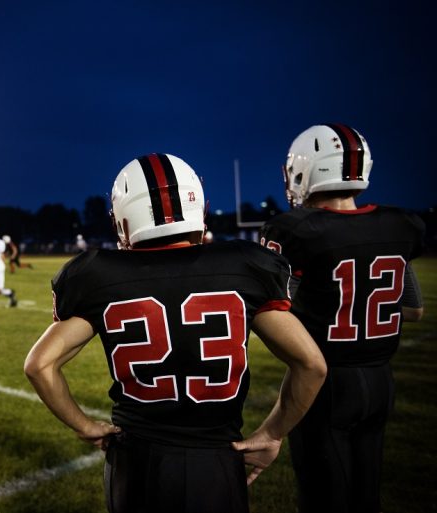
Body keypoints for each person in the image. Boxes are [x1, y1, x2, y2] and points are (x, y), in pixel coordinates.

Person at [24, 153, 327, 513]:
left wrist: (84, 425)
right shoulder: (244, 267)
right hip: (215, 460)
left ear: (122, 219)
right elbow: (312, 365)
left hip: (134, 462)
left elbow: (39, 365)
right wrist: (272, 434)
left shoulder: (99, 275)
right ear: (198, 208)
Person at [260, 124, 425, 513]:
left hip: (325, 382)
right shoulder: (398, 225)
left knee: (324, 497)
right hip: (381, 380)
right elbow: (414, 309)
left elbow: (275, 308)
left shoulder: (297, 230)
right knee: (365, 495)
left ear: (307, 170)